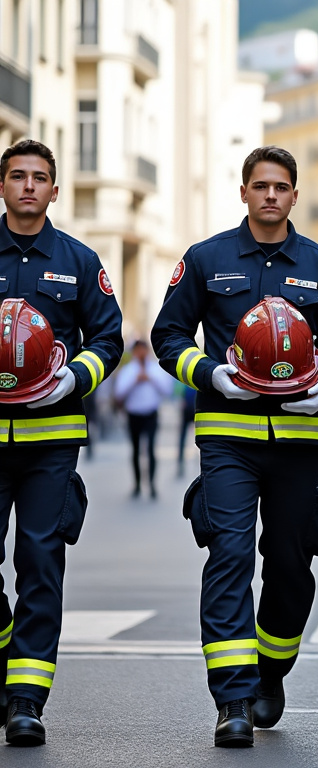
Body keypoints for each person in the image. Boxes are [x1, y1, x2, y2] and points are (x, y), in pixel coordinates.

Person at [151, 146, 318, 748]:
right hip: (228, 439)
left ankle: (273, 667)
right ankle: (233, 699)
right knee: (229, 558)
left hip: (299, 439)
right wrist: (208, 373)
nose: (271, 195)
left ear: (296, 196)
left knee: (292, 565)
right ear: (244, 192)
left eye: (282, 187)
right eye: (261, 185)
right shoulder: (206, 259)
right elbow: (168, 333)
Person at [0, 140, 123, 745]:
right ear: (2, 187)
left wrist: (73, 377)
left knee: (40, 563)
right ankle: (6, 652)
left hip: (52, 439)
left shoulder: (78, 261)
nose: (28, 186)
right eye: (17, 176)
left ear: (54, 190)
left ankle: (26, 699)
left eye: (39, 178)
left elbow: (108, 338)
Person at [113, 339, 174, 498]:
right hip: (133, 414)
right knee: (135, 450)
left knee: (152, 450)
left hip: (151, 414)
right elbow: (119, 393)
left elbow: (167, 390)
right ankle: (137, 484)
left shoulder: (155, 369)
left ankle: (152, 484)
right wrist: (135, 381)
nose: (141, 353)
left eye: (143, 350)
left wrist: (150, 378)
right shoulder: (128, 370)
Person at [177, 383, 196, 477]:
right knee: (182, 438)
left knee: (202, 438)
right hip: (188, 409)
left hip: (197, 409)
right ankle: (180, 462)